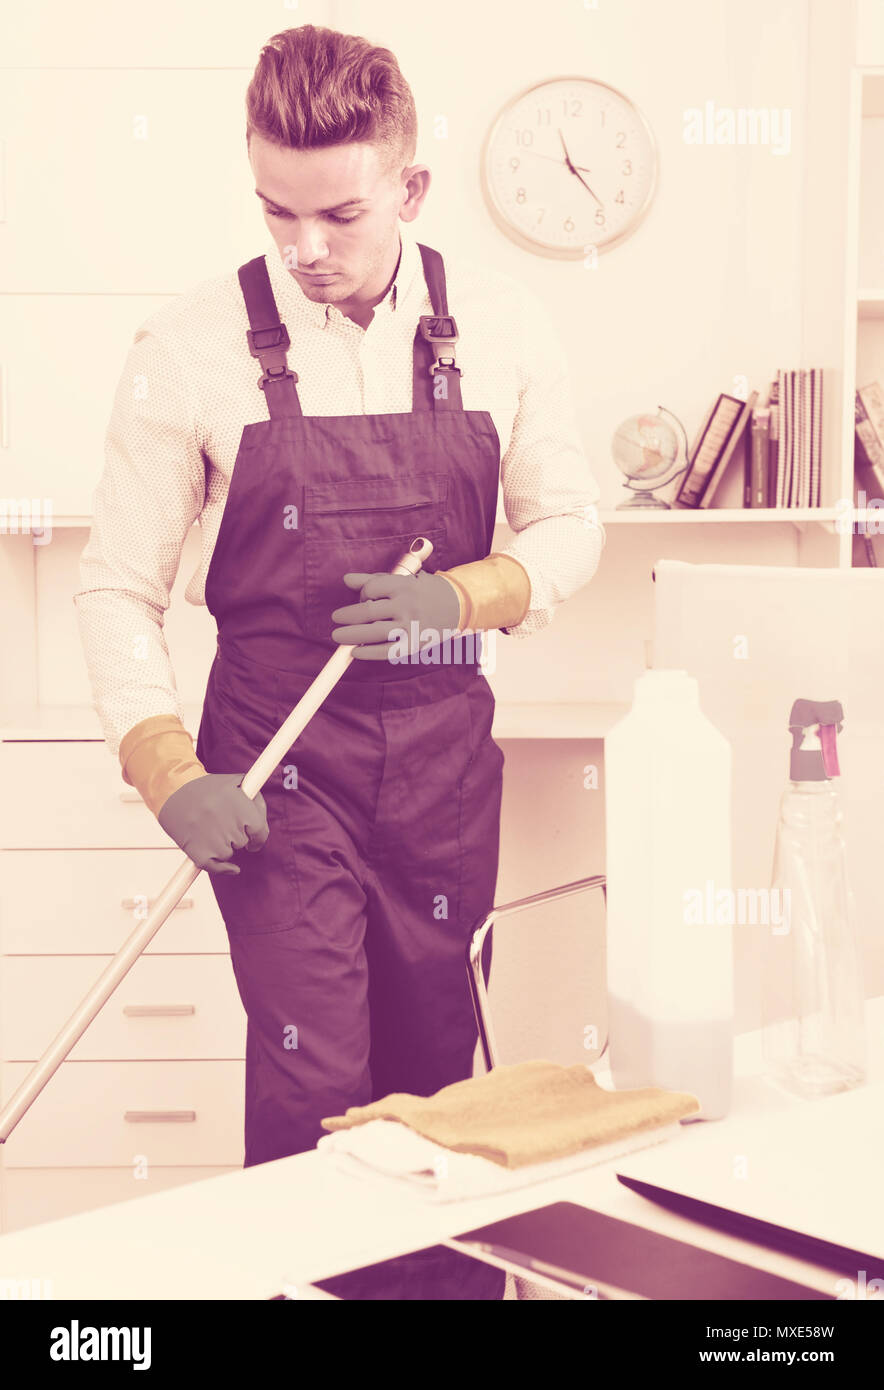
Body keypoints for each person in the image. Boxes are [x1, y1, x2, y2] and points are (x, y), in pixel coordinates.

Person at [74, 23, 605, 1299]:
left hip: (438, 766)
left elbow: (574, 523)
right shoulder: (189, 345)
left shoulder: (505, 325)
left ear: (411, 192)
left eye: (338, 214)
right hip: (274, 770)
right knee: (315, 1070)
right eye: (275, 212)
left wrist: (466, 593)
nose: (303, 247)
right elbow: (115, 585)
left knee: (430, 1073)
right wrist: (165, 764)